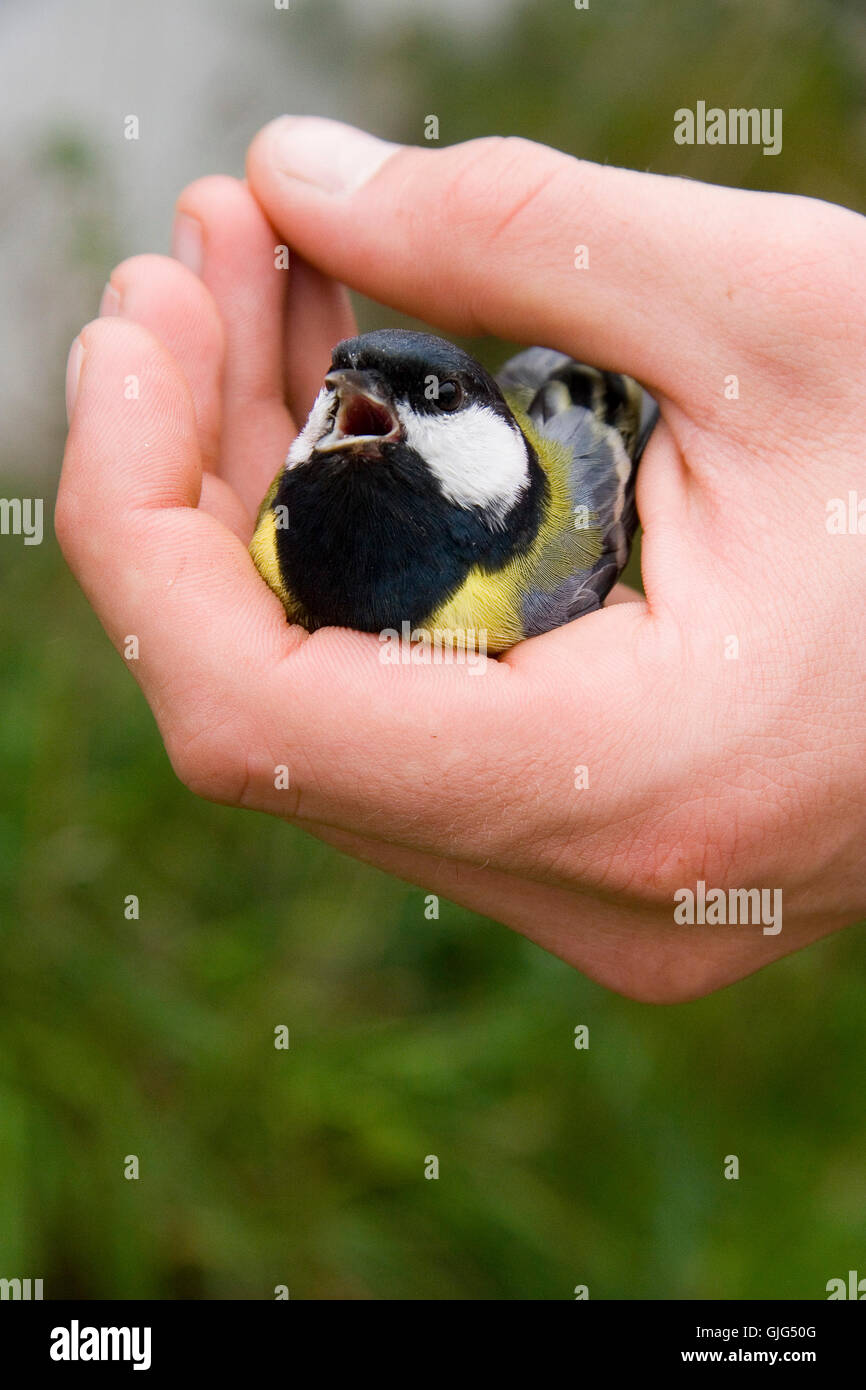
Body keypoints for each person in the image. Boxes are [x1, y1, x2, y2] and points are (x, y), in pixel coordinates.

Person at [58, 117, 866, 1003]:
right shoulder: (288, 522)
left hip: (575, 397)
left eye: (433, 398)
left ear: (489, 443)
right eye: (340, 392)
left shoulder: (543, 565)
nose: (347, 395)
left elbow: (609, 408)